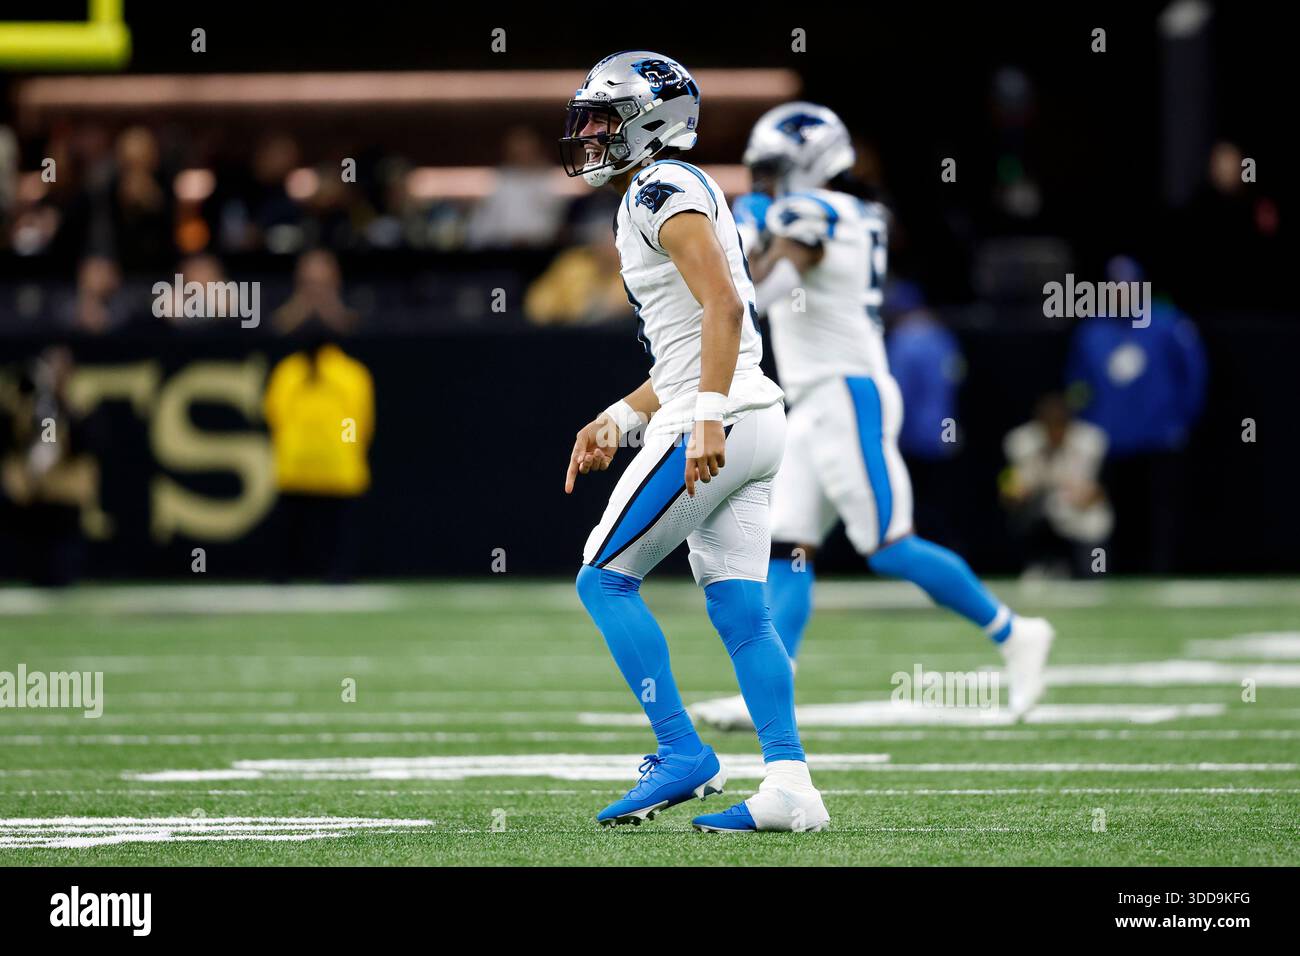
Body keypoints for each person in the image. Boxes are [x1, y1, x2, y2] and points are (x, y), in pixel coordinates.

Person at [692, 103, 1054, 730]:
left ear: (812, 164)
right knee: (787, 547)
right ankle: (771, 688)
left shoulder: (820, 211)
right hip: (814, 399)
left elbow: (767, 290)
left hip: (845, 392)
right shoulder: (842, 211)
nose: (766, 182)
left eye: (775, 169)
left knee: (888, 545)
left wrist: (741, 249)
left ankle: (1015, 632)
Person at [559, 51, 827, 834]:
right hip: (752, 414)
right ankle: (790, 785)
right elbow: (685, 349)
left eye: (604, 118)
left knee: (603, 579)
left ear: (649, 121)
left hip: (723, 418)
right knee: (743, 610)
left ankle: (681, 750)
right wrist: (620, 417)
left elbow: (724, 307)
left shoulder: (658, 189)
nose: (590, 134)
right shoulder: (669, 189)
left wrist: (706, 415)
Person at [1064, 256, 1207, 573]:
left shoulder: (1167, 323)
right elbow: (1077, 385)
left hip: (1158, 438)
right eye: (1115, 288)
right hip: (1107, 441)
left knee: (1159, 514)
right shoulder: (1092, 331)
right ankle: (1110, 573)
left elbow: (1193, 376)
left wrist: (1180, 421)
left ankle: (1161, 573)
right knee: (1106, 515)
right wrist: (1085, 425)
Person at [263, 338, 374, 582]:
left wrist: (295, 444)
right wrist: (346, 445)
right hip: (338, 464)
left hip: (296, 463)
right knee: (334, 531)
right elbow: (356, 419)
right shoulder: (350, 373)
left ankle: (284, 576)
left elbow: (275, 414)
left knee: (293, 529)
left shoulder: (288, 371)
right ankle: (337, 575)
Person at [1001, 393, 1112, 578]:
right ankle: (1039, 565)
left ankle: (1095, 571)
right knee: (1027, 514)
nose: (1054, 432)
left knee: (1096, 526)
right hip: (1040, 515)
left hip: (1080, 514)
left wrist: (1076, 495)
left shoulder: (1091, 441)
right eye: (1049, 426)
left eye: (1059, 425)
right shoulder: (1020, 442)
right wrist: (1015, 491)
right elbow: (1011, 488)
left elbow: (1095, 494)